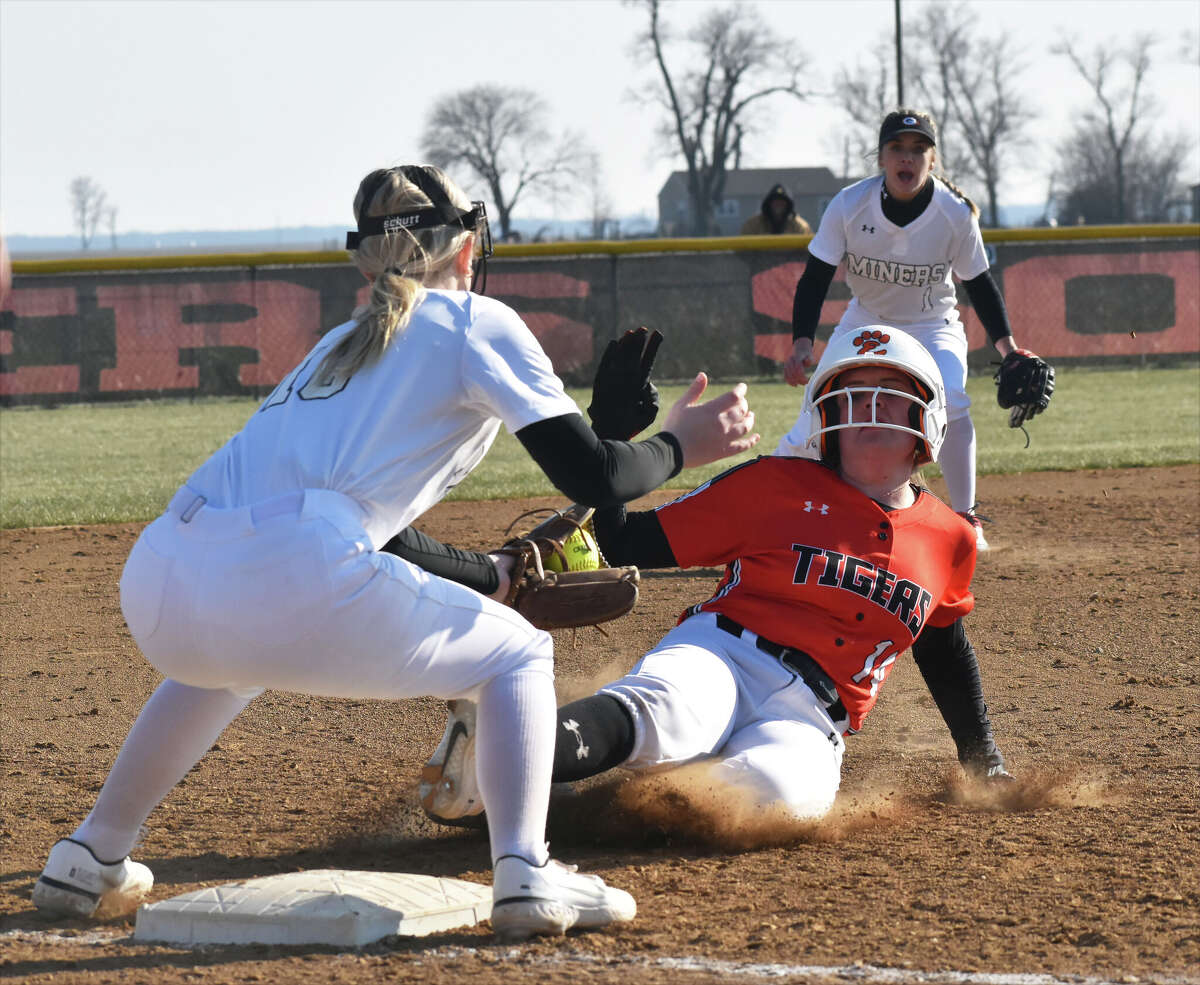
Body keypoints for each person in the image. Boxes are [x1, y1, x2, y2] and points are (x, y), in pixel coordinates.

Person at [31, 164, 760, 942]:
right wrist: (683, 442)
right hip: (292, 566)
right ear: (467, 246)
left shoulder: (339, 344)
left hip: (162, 576)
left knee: (225, 661)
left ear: (367, 260)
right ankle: (525, 874)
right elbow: (593, 473)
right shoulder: (473, 321)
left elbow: (345, 524)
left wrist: (493, 574)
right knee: (516, 658)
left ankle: (92, 852)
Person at [421, 326, 1011, 831]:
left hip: (813, 717)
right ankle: (490, 760)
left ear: (925, 422)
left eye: (889, 397)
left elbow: (943, 643)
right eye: (853, 398)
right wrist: (612, 438)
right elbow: (626, 542)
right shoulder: (773, 485)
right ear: (824, 420)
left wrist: (980, 754)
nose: (870, 410)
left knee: (775, 799)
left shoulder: (950, 536)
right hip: (724, 653)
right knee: (663, 713)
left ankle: (568, 806)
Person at [775, 109, 1033, 551]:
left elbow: (980, 285)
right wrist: (802, 343)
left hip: (932, 326)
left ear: (933, 160)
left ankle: (966, 519)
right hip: (867, 320)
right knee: (817, 408)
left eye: (919, 149)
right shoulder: (850, 205)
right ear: (881, 157)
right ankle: (781, 511)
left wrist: (1010, 349)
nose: (907, 158)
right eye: (897, 147)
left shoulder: (954, 213)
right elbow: (815, 277)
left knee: (950, 400)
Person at [739, 183, 812, 236]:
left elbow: (808, 250)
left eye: (782, 201)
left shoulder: (800, 226)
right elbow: (742, 249)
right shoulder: (753, 225)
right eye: (775, 200)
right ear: (768, 203)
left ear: (788, 204)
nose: (778, 204)